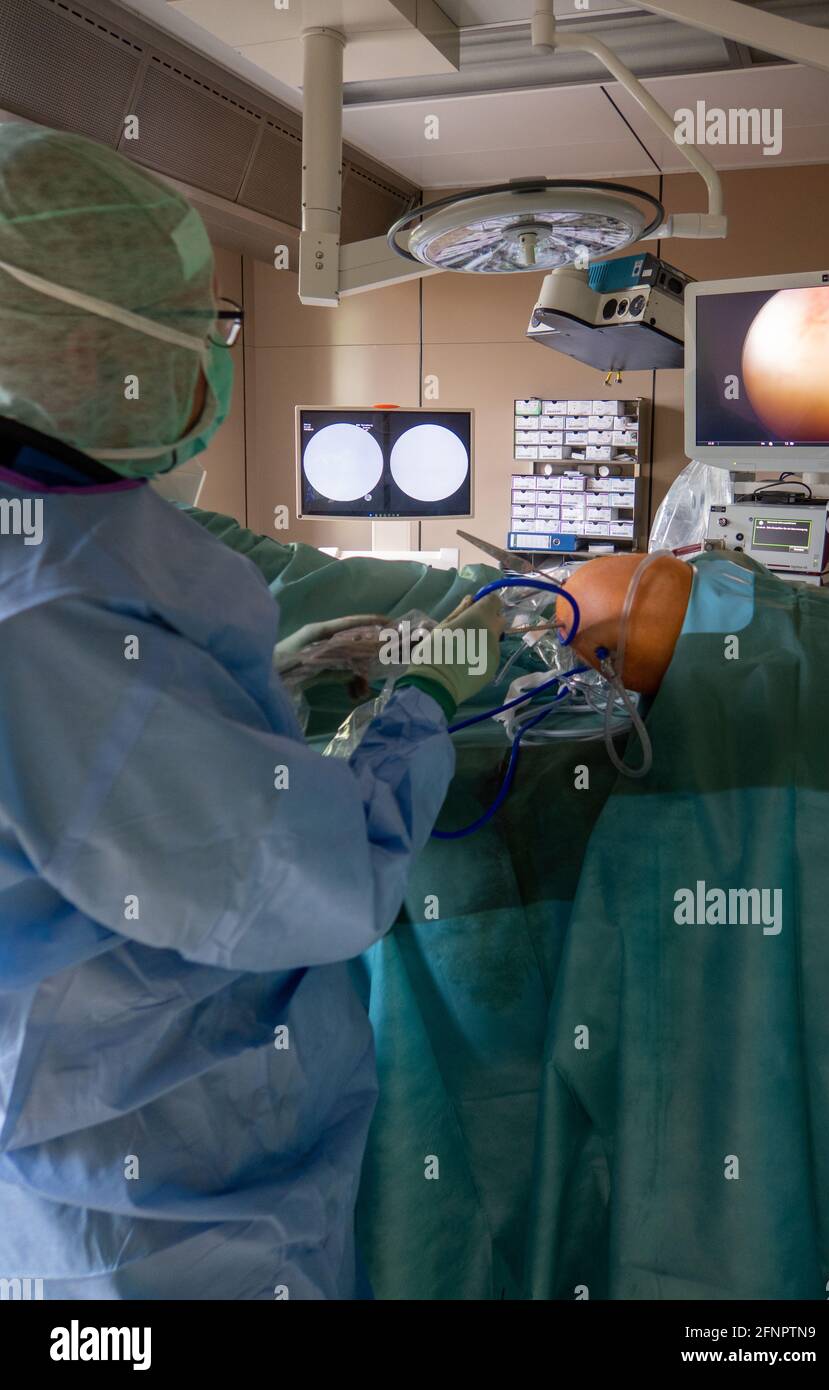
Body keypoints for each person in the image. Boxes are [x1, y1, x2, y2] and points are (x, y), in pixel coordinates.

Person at [0, 122, 502, 1300]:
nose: (209, 364)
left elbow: (121, 757)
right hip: (160, 1210)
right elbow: (304, 880)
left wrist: (259, 683)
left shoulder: (54, 550)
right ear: (86, 353)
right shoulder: (49, 620)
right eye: (194, 334)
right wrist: (423, 703)